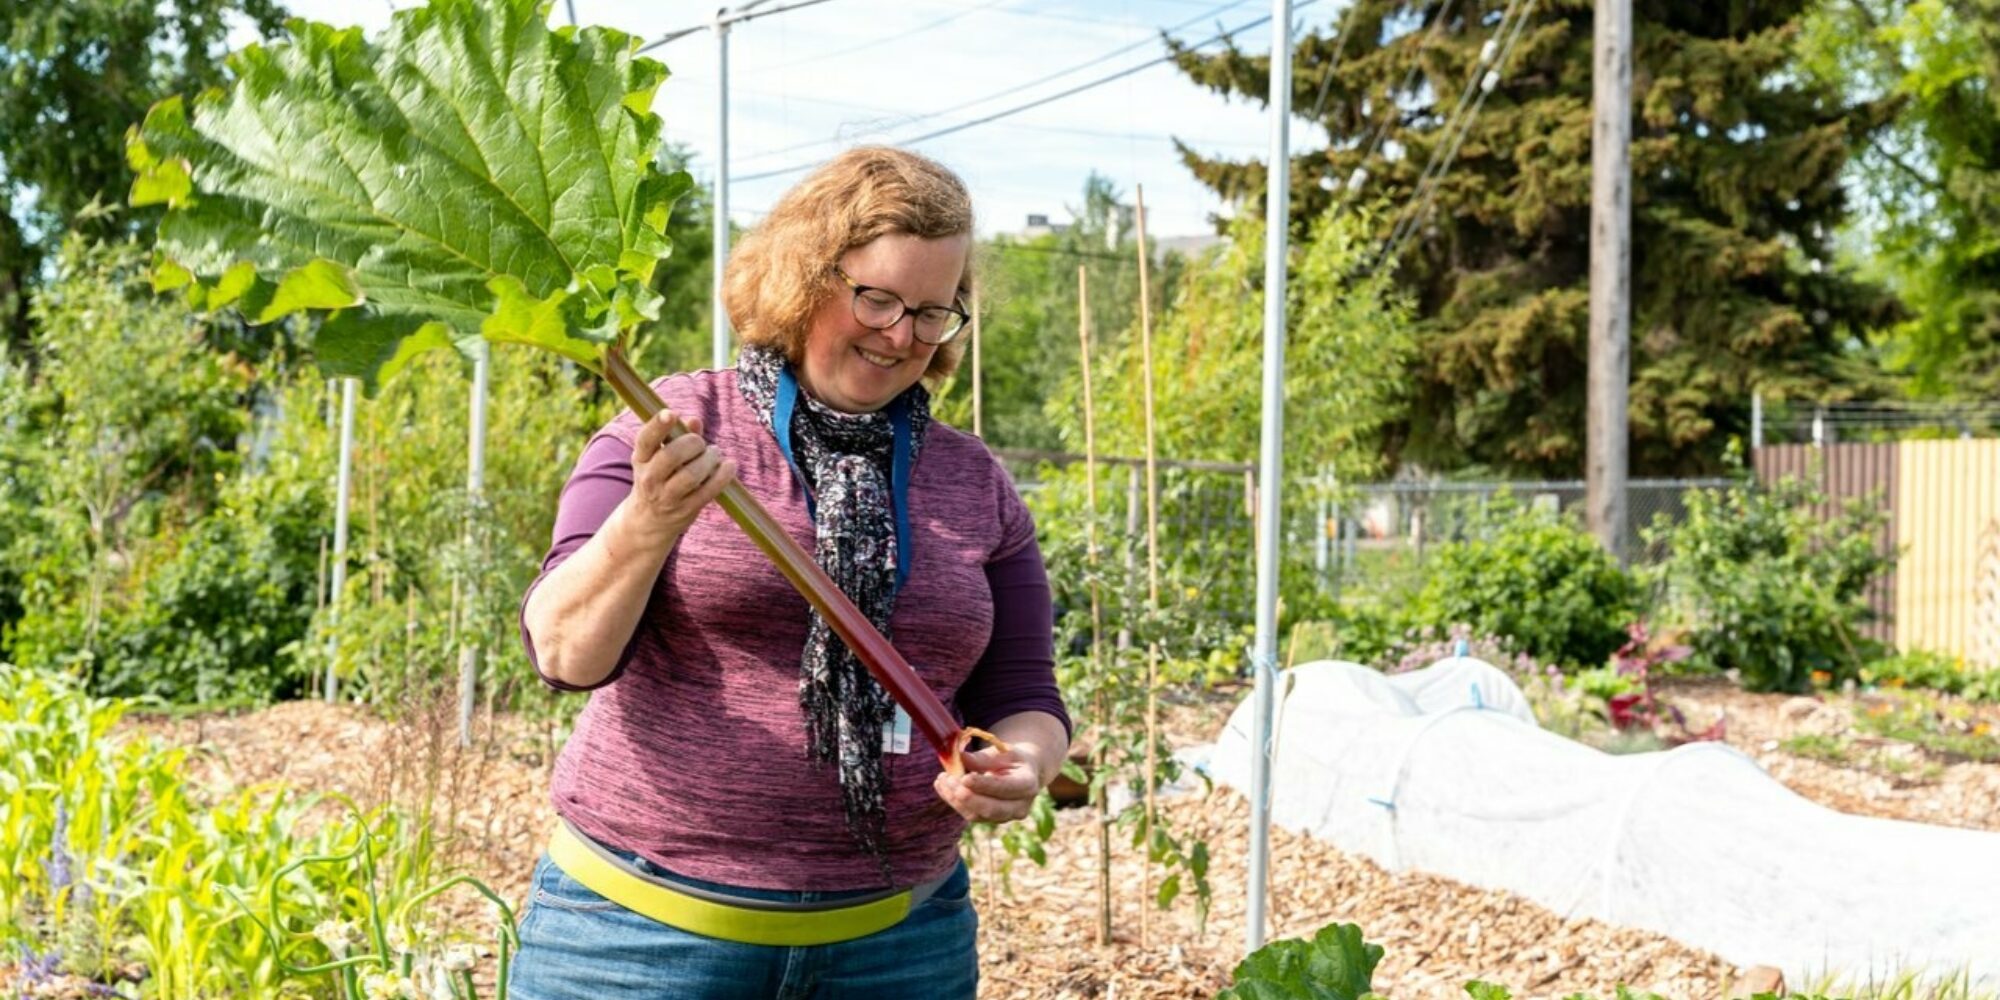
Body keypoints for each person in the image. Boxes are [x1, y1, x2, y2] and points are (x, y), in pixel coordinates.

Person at [508, 146, 1070, 1000]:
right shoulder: (672, 426)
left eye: (932, 312)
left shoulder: (973, 479)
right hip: (636, 940)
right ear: (806, 279)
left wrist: (1023, 763)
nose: (901, 336)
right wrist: (647, 522)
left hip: (899, 949)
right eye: (877, 299)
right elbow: (562, 653)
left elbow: (1026, 692)